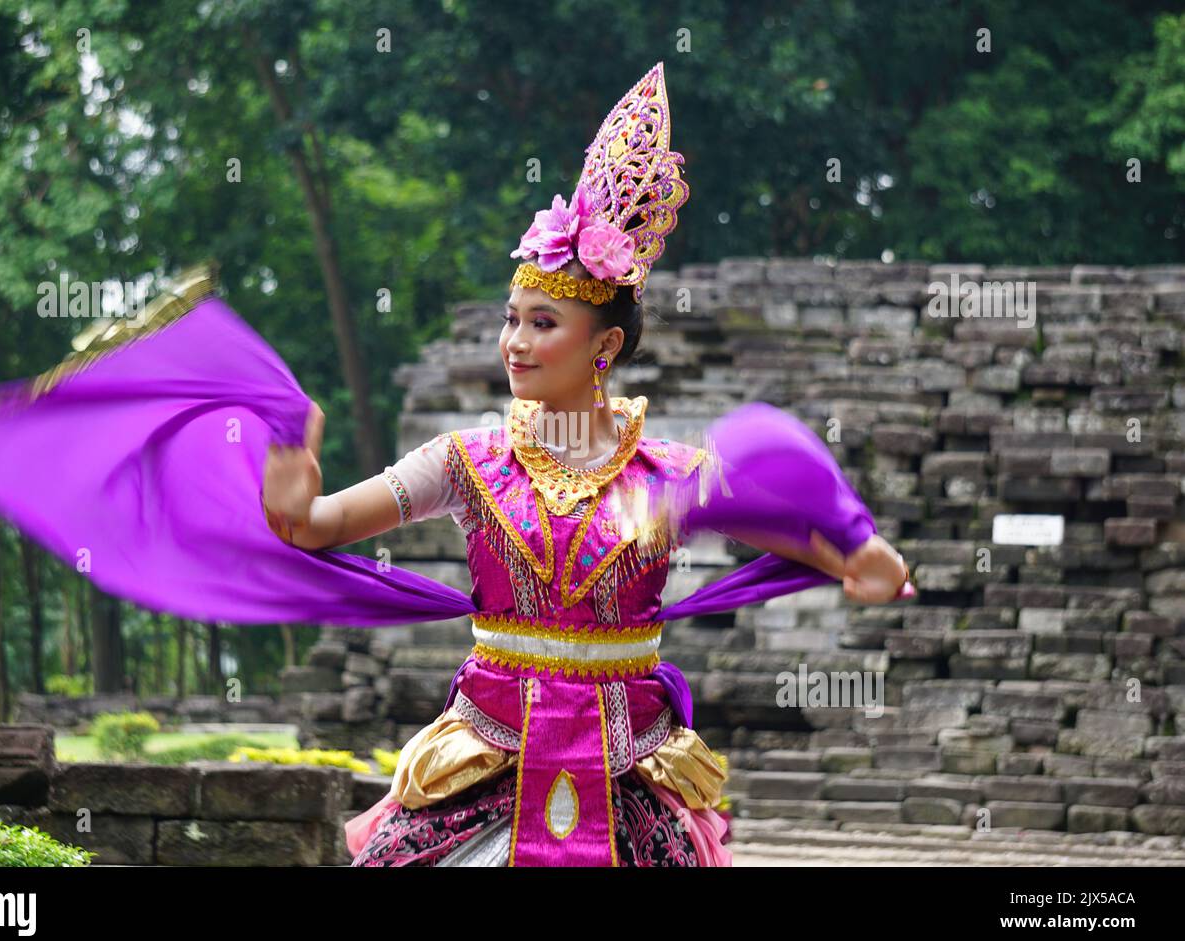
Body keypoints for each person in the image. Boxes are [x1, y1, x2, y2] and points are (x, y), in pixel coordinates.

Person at [261, 62, 913, 867]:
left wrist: (863, 558)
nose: (516, 343)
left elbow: (806, 543)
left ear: (604, 345)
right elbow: (315, 527)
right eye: (512, 320)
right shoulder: (466, 462)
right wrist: (293, 473)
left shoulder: (671, 475)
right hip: (484, 766)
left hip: (628, 777)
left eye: (543, 322)